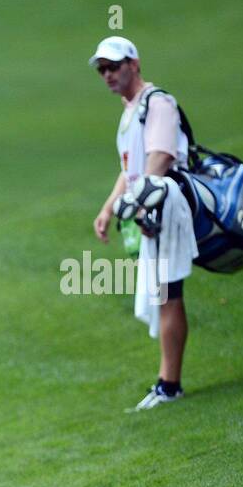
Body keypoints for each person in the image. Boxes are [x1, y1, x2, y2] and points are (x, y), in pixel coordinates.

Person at [89, 35, 192, 410]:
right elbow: (128, 170)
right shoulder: (130, 109)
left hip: (164, 208)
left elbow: (161, 157)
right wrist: (109, 208)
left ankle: (169, 384)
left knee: (168, 295)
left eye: (113, 66)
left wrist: (141, 205)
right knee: (163, 294)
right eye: (102, 69)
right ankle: (167, 382)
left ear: (134, 63)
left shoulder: (158, 102)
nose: (107, 74)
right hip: (149, 209)